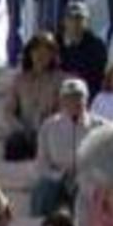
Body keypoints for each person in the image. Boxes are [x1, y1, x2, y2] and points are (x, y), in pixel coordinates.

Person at [31, 76, 101, 216]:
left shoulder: (100, 126)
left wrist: (84, 175)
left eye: (78, 97)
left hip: (88, 178)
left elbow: (107, 160)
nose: (74, 101)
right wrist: (59, 176)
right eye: (68, 97)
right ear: (61, 100)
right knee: (44, 188)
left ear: (86, 99)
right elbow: (42, 163)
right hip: (58, 177)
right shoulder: (49, 126)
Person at [3, 31, 63, 161]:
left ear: (53, 55)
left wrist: (44, 128)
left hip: (49, 133)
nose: (41, 55)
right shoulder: (19, 80)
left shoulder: (60, 81)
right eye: (36, 50)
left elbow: (62, 111)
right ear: (30, 53)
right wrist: (21, 129)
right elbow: (8, 111)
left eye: (46, 51)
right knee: (14, 143)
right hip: (24, 133)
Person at [57, 0, 107, 101]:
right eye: (71, 18)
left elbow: (98, 74)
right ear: (64, 21)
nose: (75, 23)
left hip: (86, 92)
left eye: (79, 19)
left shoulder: (97, 45)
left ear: (87, 22)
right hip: (59, 90)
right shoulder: (55, 42)